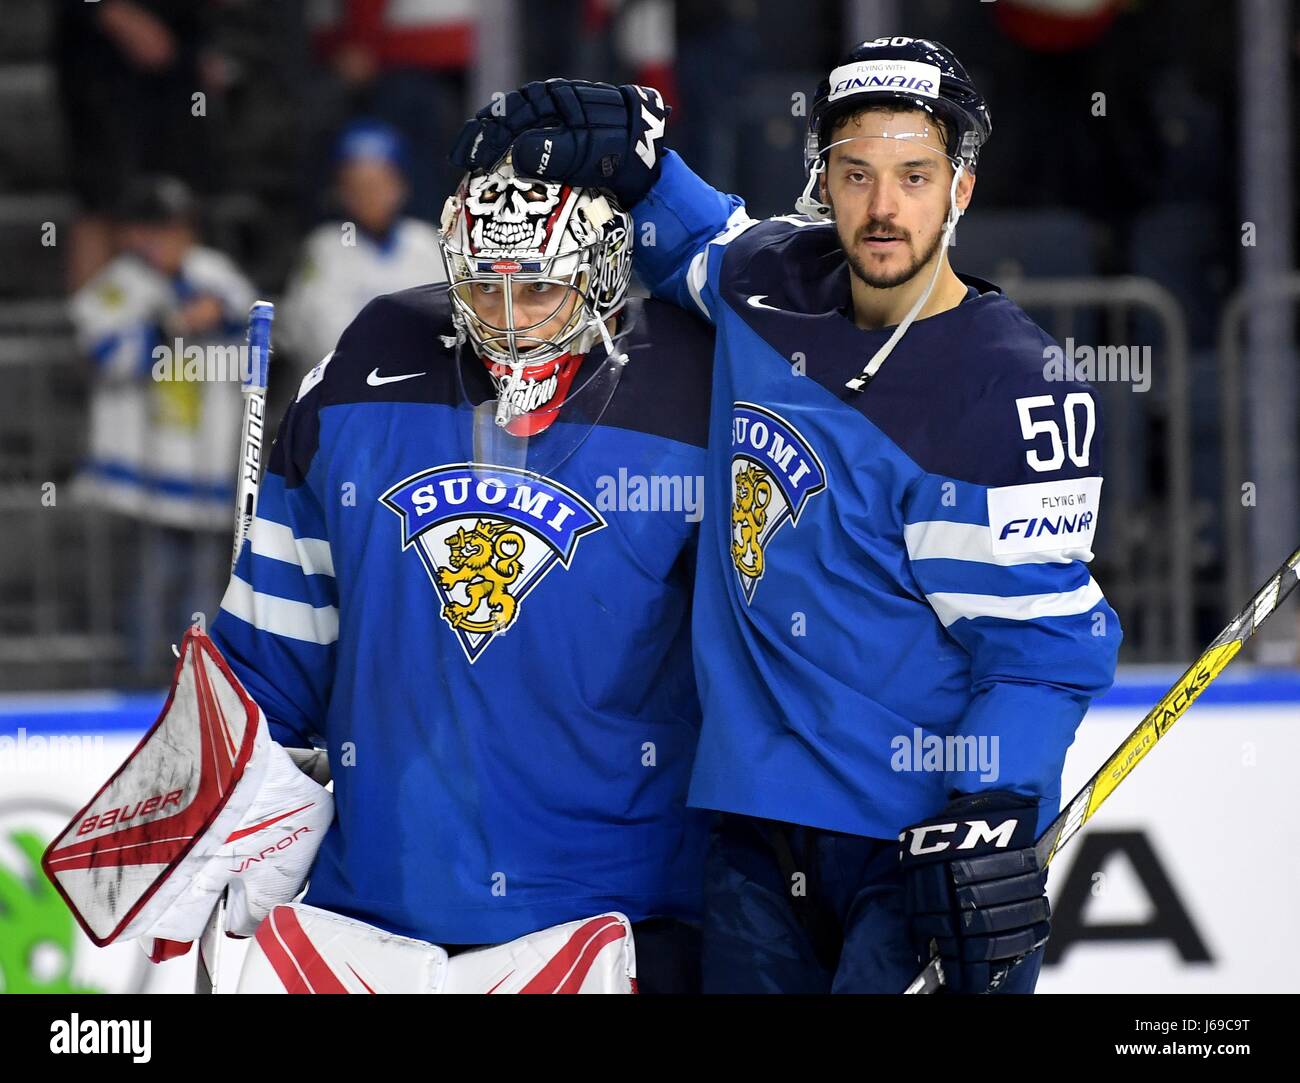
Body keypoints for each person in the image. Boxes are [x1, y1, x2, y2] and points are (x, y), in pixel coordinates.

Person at [451, 37, 1122, 993]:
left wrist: (992, 810)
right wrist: (635, 160)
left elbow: (1041, 652)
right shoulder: (770, 286)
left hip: (918, 845)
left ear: (960, 191)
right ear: (825, 180)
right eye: (857, 174)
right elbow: (695, 235)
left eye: (914, 175)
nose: (883, 208)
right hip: (750, 834)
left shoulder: (1016, 390)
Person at [206, 159, 715, 991]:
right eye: (484, 290)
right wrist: (234, 775)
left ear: (603, 273)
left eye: (540, 291)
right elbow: (274, 648)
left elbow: (764, 661)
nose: (510, 323)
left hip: (615, 918)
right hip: (373, 917)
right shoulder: (367, 360)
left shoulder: (695, 381)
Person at [69, 175, 254, 671]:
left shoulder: (213, 271)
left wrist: (216, 312)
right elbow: (105, 354)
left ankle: (198, 698)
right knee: (150, 584)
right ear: (131, 234)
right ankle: (141, 695)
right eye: (153, 228)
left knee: (202, 592)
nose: (165, 240)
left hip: (207, 466)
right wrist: (173, 323)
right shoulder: (116, 284)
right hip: (143, 471)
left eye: (175, 228)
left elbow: (256, 323)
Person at [279, 119, 445, 381]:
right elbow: (314, 336)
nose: (369, 196)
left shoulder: (428, 243)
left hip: (419, 393)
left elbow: (452, 326)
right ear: (340, 190)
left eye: (378, 184)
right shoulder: (324, 248)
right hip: (342, 395)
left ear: (400, 186)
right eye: (356, 186)